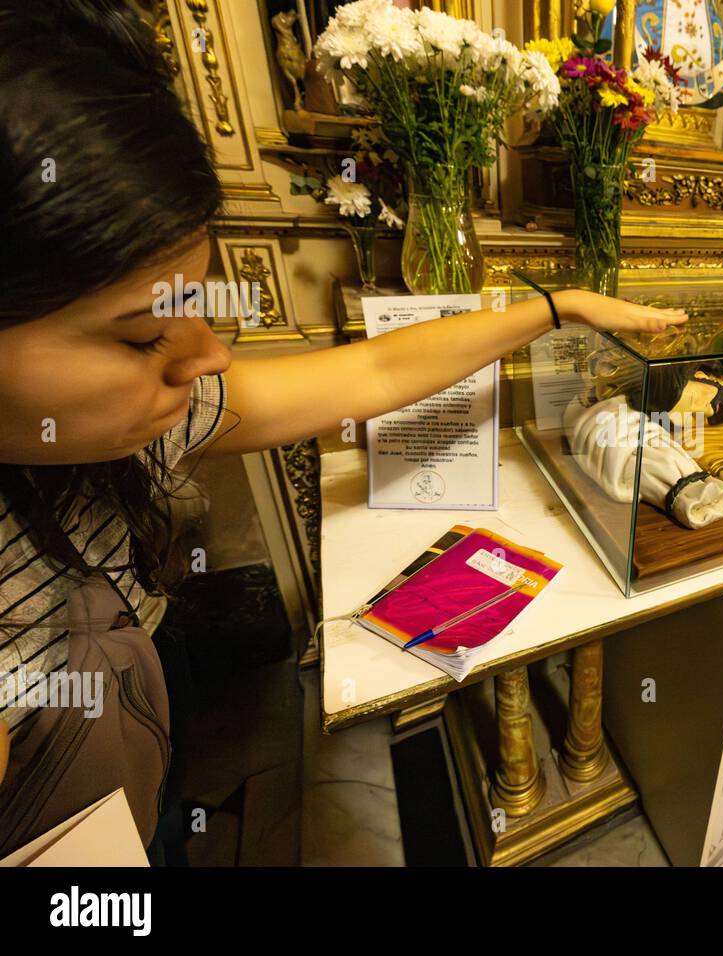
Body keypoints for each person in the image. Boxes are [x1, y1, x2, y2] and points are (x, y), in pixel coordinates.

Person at [0, 0, 684, 860]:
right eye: (144, 334)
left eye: (193, 307)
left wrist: (557, 306)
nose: (208, 356)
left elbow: (379, 372)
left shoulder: (128, 424)